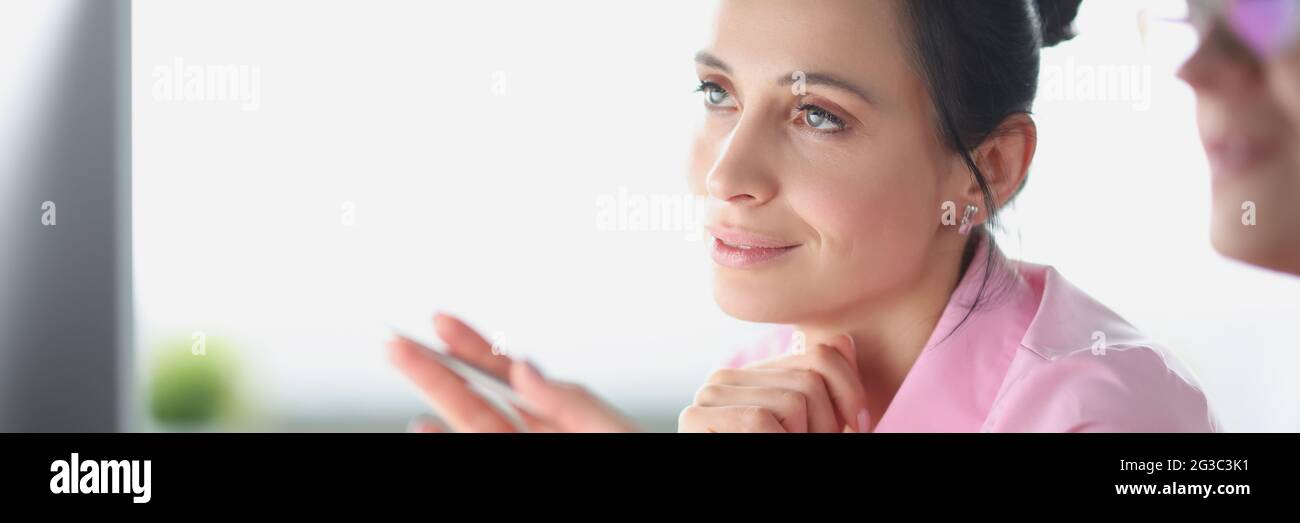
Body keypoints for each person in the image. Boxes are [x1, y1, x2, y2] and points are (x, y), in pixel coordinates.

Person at [386, 0, 1218, 433]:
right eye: (719, 95)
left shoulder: (1115, 411)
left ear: (991, 168)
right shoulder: (767, 374)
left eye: (818, 114)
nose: (728, 171)